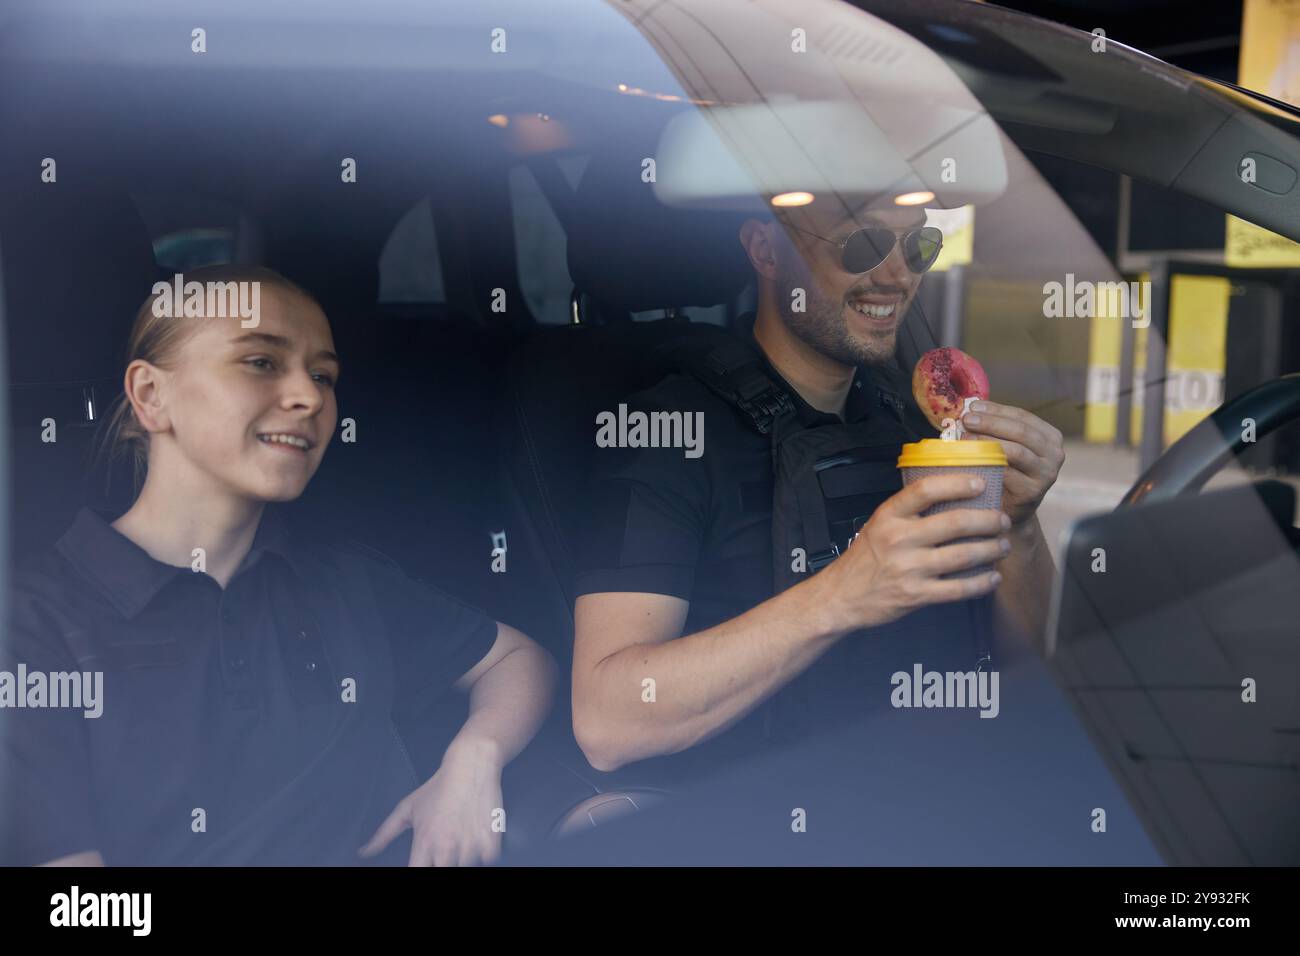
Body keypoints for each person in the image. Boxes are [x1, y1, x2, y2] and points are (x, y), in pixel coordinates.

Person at [0, 265, 556, 866]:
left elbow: (518, 659)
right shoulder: (30, 628)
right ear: (151, 396)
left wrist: (474, 760)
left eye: (324, 375)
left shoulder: (342, 583)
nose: (310, 396)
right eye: (261, 362)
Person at [571, 197, 1065, 777]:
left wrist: (1021, 526)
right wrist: (842, 593)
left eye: (917, 246)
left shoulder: (915, 425)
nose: (897, 275)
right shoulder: (670, 435)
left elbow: (1028, 667)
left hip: (938, 782)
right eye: (862, 245)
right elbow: (606, 721)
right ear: (764, 250)